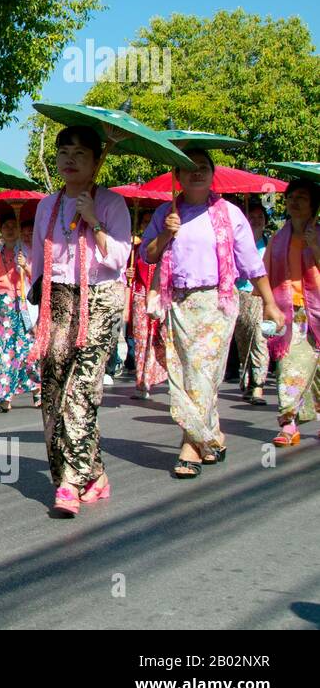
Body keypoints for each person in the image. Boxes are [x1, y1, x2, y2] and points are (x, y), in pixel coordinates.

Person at [141, 149, 283, 478]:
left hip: (217, 304)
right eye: (188, 169)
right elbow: (148, 255)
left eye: (203, 168)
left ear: (212, 173)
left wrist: (270, 303)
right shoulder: (166, 212)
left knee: (202, 373)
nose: (196, 174)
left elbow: (251, 263)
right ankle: (213, 435)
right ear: (178, 175)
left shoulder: (230, 214)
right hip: (176, 303)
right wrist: (165, 233)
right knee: (184, 374)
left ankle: (190, 444)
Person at [28, 126, 132, 517]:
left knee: (81, 390)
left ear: (94, 162)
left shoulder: (111, 203)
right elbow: (40, 256)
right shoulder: (46, 205)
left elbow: (119, 260)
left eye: (81, 154)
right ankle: (96, 473)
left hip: (100, 300)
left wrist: (94, 220)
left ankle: (70, 482)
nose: (70, 160)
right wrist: (38, 298)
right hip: (57, 298)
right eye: (64, 152)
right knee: (53, 386)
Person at [264, 178, 320, 447]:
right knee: (287, 365)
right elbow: (265, 275)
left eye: (303, 197)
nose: (295, 202)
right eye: (291, 197)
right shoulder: (277, 238)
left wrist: (316, 247)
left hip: (318, 310)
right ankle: (288, 423)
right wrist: (267, 306)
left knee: (316, 370)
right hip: (290, 311)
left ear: (313, 205)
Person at [0, 210, 41, 412]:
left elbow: (37, 278)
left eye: (13, 226)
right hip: (1, 305)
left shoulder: (29, 251)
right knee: (3, 353)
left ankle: (37, 388)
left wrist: (25, 266)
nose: (9, 230)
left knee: (26, 350)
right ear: (0, 229)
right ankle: (4, 399)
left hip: (23, 304)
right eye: (5, 226)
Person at [232, 199, 271, 403]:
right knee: (244, 341)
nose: (256, 221)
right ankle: (248, 382)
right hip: (240, 295)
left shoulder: (270, 242)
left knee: (259, 340)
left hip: (260, 297)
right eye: (252, 217)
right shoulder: (238, 244)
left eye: (260, 217)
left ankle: (259, 385)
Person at [128, 208, 167, 400]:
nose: (146, 225)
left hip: (161, 296)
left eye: (150, 221)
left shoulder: (166, 246)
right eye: (144, 222)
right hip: (140, 295)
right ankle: (141, 382)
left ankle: (159, 377)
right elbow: (129, 274)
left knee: (161, 338)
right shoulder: (137, 250)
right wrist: (128, 274)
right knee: (141, 339)